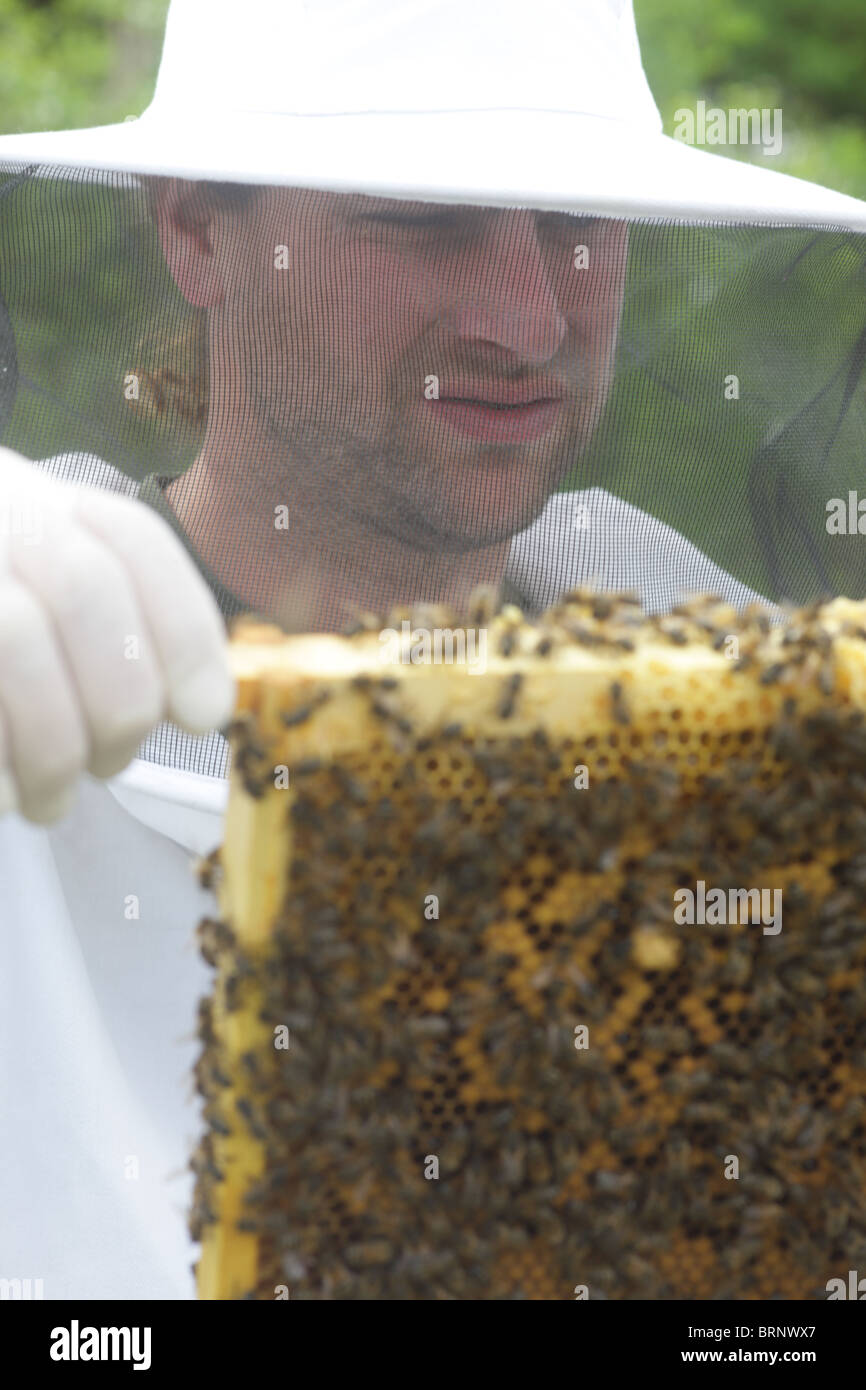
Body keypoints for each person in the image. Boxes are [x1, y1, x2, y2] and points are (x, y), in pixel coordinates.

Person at [0, 0, 864, 1300]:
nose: (524, 320)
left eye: (576, 221)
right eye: (418, 216)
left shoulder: (693, 639)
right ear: (192, 225)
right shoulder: (31, 619)